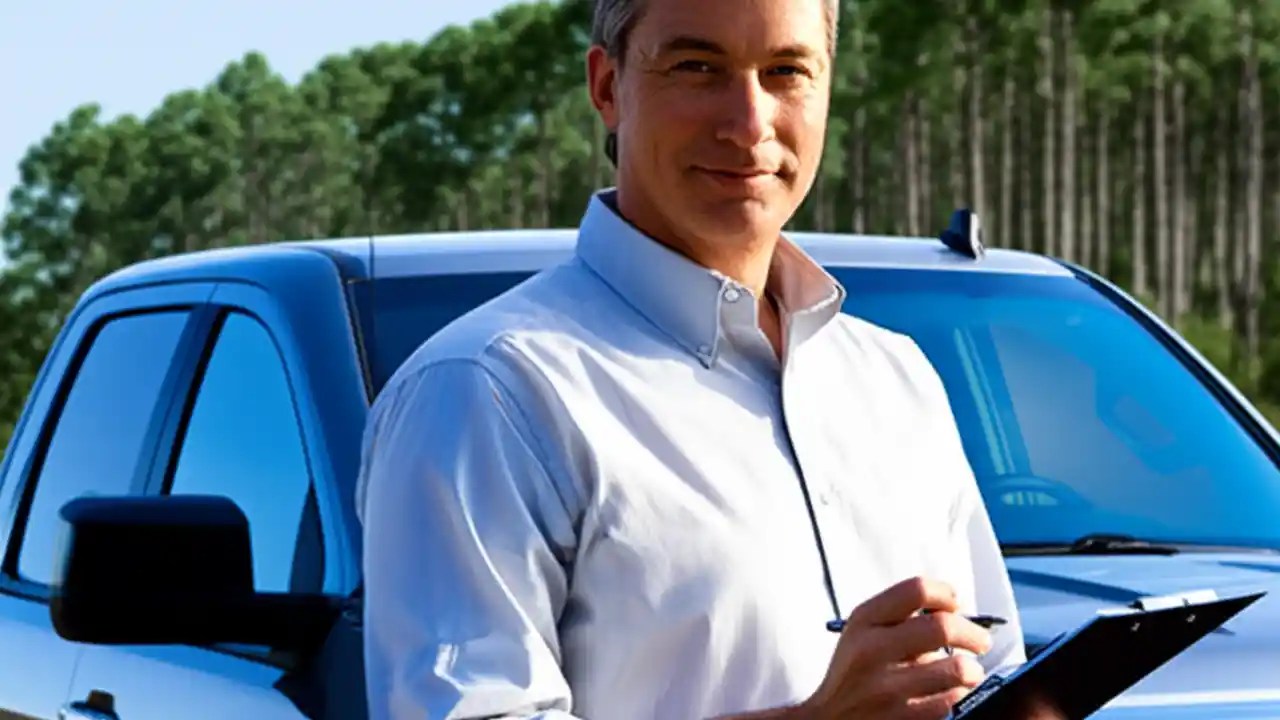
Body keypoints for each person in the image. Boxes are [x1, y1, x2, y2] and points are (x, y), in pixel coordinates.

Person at [356, 0, 1034, 718]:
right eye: (697, 67)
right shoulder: (486, 392)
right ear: (608, 87)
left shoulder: (897, 380)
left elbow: (994, 675)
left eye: (786, 71)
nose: (749, 122)